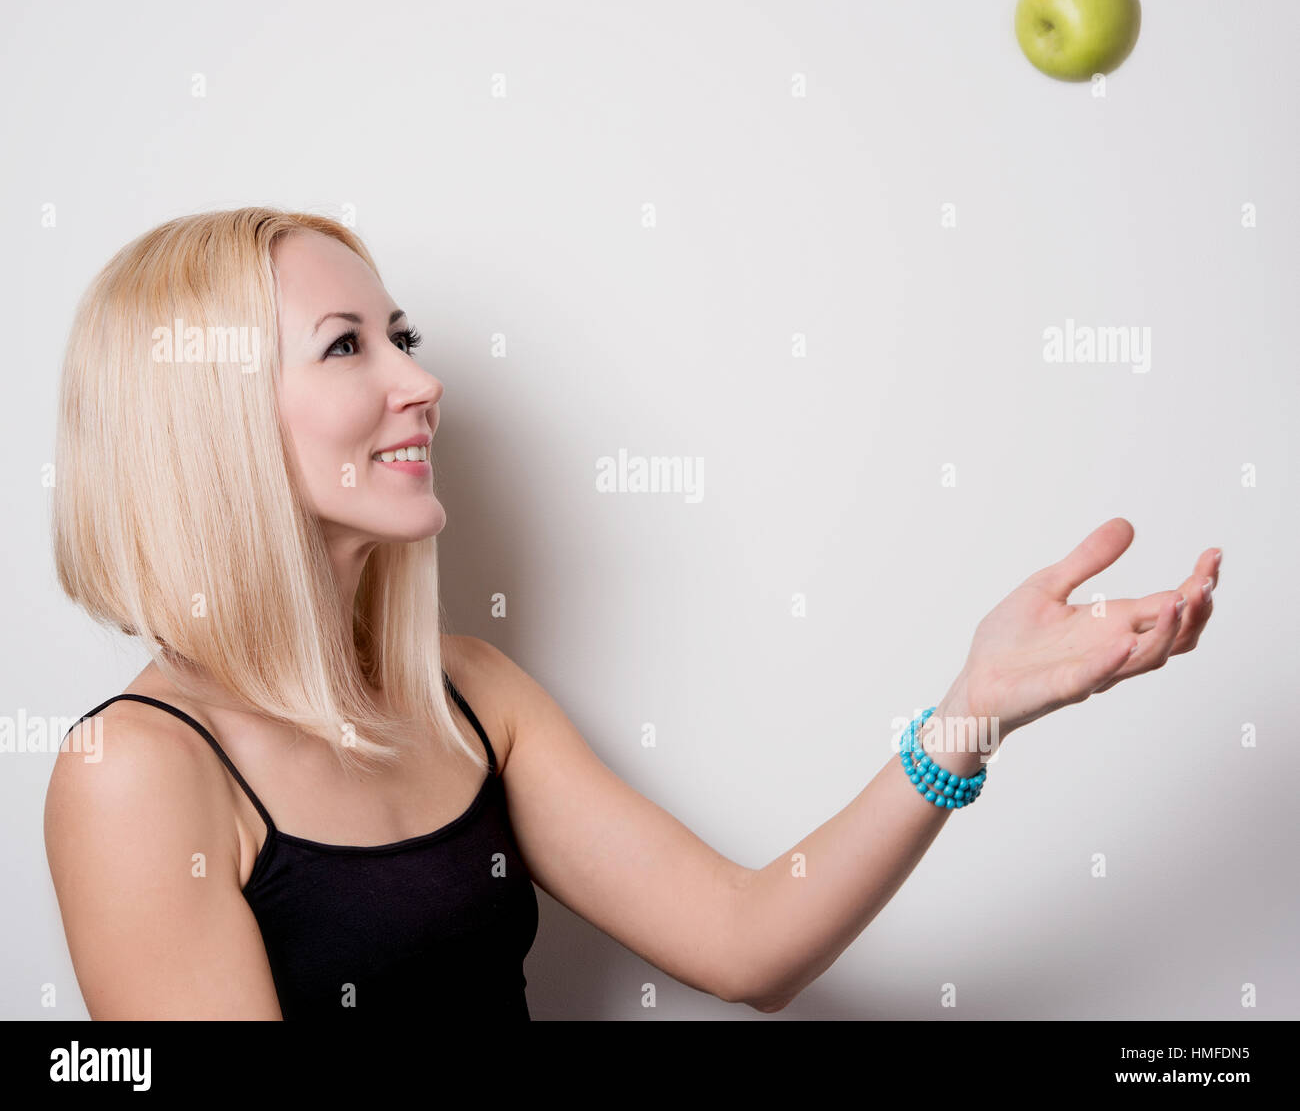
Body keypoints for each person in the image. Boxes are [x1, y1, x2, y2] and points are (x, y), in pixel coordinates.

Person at [44, 208, 1221, 1020]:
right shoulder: (137, 769)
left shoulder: (470, 696)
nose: (419, 380)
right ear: (211, 422)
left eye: (402, 335)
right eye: (345, 346)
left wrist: (975, 712)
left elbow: (746, 944)